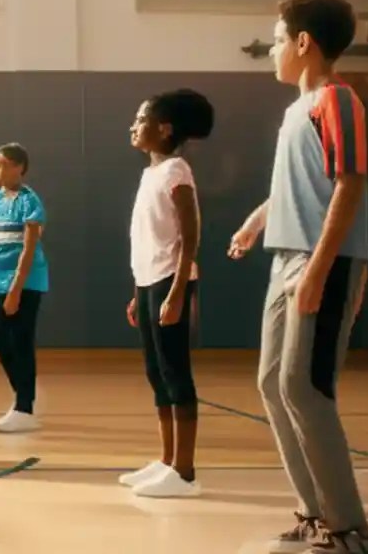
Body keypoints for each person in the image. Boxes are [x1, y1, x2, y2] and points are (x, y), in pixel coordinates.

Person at [229, 0, 368, 554]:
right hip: (285, 257)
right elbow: (298, 187)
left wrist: (319, 269)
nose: (272, 51)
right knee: (273, 384)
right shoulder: (298, 110)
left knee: (305, 387)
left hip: (324, 259)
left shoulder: (338, 100)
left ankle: (351, 530)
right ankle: (315, 515)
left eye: (276, 41)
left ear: (303, 42)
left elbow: (349, 183)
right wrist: (257, 221)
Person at [120, 89, 213, 499]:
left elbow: (190, 236)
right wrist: (136, 292)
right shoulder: (151, 173)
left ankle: (185, 472)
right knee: (156, 373)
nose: (133, 126)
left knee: (176, 373)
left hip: (169, 281)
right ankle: (166, 460)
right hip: (147, 282)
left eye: (141, 119)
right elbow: (146, 241)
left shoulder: (177, 171)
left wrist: (176, 293)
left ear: (164, 129)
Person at [0, 143, 48, 433]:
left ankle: (24, 408)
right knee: (1, 342)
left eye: (2, 165)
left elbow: (29, 249)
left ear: (19, 168)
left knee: (21, 341)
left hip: (26, 282)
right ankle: (24, 393)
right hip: (0, 282)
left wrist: (16, 289)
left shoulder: (30, 201)